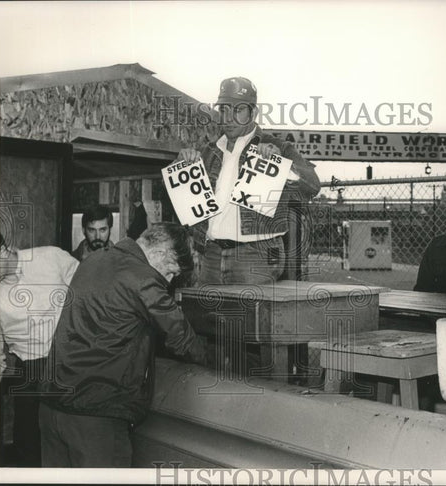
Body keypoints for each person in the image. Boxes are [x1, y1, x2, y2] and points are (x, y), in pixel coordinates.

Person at [38, 223, 202, 467]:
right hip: (96, 415)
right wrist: (218, 363)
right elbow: (182, 339)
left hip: (52, 408)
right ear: (159, 254)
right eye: (170, 272)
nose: (168, 282)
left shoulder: (94, 260)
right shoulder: (143, 277)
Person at [176, 77, 321, 285]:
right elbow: (178, 200)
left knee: (252, 317)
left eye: (238, 110)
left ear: (253, 113)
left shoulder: (276, 146)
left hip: (256, 255)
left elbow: (312, 185)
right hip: (211, 254)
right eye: (224, 109)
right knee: (209, 317)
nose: (229, 117)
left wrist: (280, 163)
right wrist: (181, 164)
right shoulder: (209, 151)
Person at [0, 234, 79, 467]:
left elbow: (89, 295)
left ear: (3, 249)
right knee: (28, 444)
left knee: (72, 441)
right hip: (29, 371)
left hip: (71, 362)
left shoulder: (51, 257)